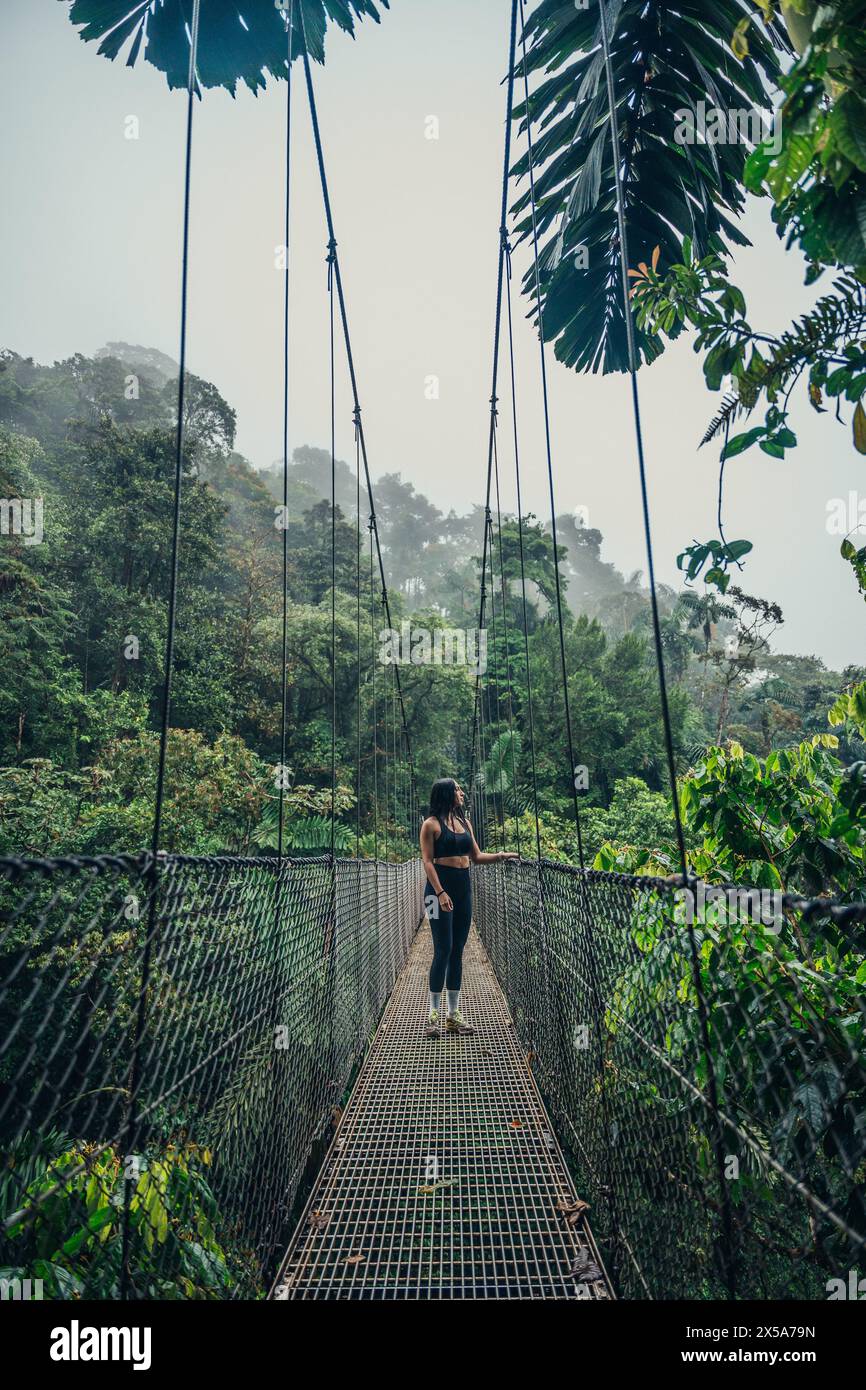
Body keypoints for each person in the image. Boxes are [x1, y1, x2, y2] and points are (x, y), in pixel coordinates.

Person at [419, 777, 518, 1037]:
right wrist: (440, 892)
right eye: (457, 790)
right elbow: (427, 862)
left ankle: (453, 1016)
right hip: (436, 892)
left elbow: (475, 857)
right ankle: (433, 1016)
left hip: (463, 890)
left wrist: (501, 856)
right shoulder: (430, 825)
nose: (461, 793)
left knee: (457, 951)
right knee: (442, 949)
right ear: (446, 794)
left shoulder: (465, 824)